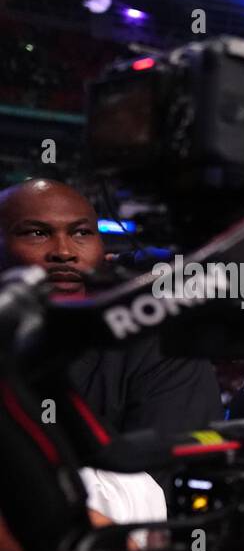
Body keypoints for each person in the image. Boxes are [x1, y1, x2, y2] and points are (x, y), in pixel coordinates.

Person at [0, 179, 222, 439]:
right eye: (36, 233)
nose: (64, 252)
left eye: (81, 233)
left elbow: (172, 468)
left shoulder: (160, 345)